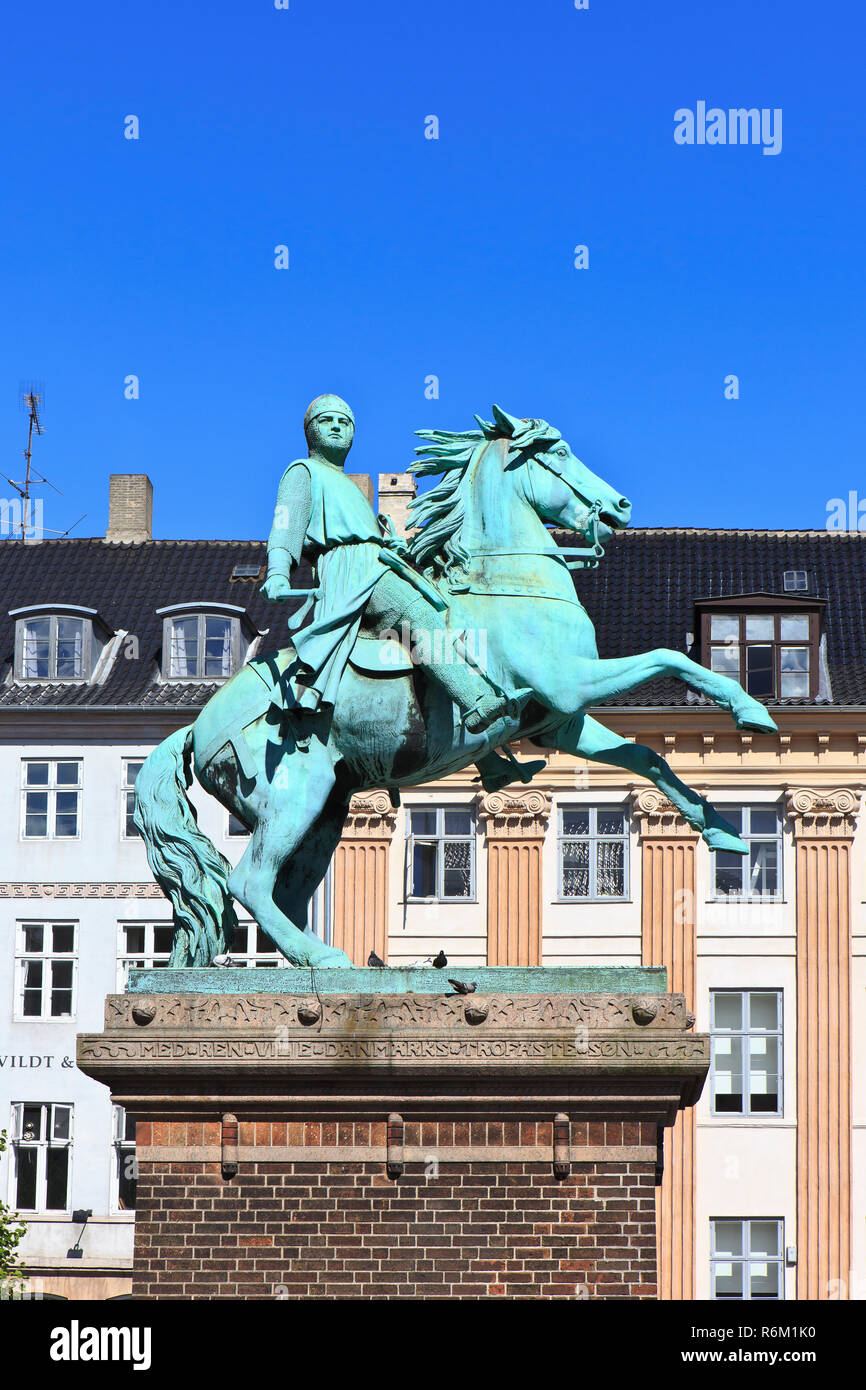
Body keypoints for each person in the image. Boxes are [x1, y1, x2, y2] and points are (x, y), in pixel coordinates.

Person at [261, 394, 512, 732]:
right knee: (417, 613)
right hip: (350, 570)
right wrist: (278, 573)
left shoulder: (349, 487)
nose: (336, 426)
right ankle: (475, 703)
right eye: (327, 420)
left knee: (444, 607)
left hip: (377, 562)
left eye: (344, 422)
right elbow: (284, 526)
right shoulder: (303, 472)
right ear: (309, 431)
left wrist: (388, 542)